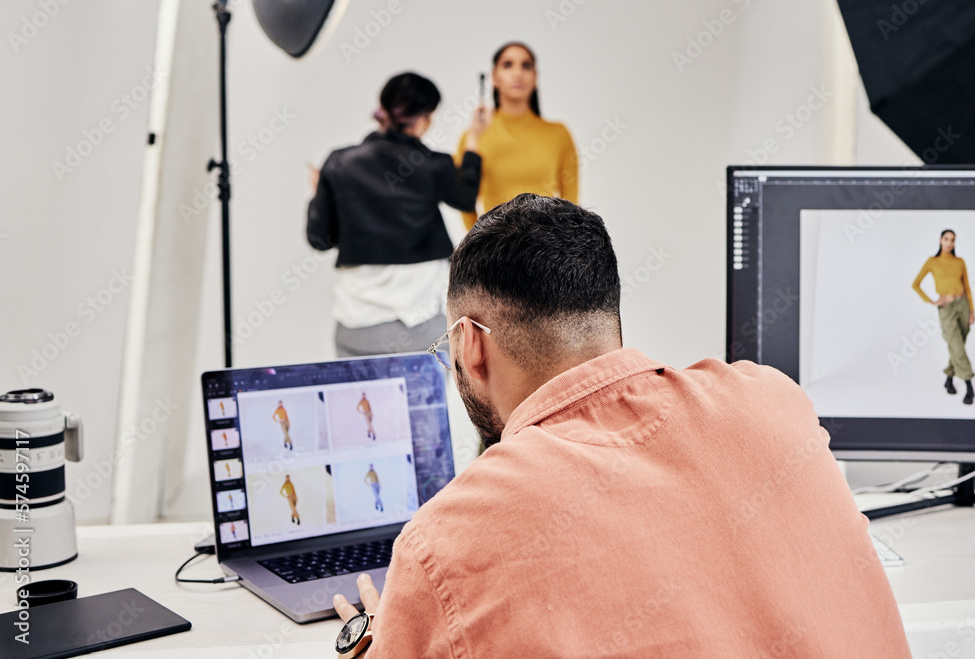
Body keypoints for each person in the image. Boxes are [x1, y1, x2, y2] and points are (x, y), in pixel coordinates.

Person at [331, 194, 910, 658]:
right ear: (606, 314)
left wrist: (387, 634)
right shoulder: (774, 402)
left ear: (469, 344)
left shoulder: (445, 543)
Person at [308, 72, 488, 358]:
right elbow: (465, 197)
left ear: (383, 109)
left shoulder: (339, 163)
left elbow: (320, 239)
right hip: (425, 322)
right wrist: (474, 140)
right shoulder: (434, 165)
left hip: (358, 324)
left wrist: (321, 195)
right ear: (424, 119)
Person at [455, 43, 578, 231]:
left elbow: (572, 203)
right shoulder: (473, 137)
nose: (518, 73)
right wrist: (479, 242)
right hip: (496, 242)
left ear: (535, 77)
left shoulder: (558, 134)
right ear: (494, 77)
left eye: (526, 66)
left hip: (546, 242)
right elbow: (464, 199)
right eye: (508, 65)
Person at [912, 229, 975, 404]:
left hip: (963, 305)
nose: (949, 242)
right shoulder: (932, 262)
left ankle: (949, 378)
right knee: (957, 346)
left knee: (958, 345)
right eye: (946, 239)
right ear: (940, 240)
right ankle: (969, 384)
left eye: (952, 240)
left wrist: (972, 310)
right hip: (947, 308)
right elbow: (916, 284)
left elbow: (967, 286)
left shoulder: (959, 261)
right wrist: (932, 301)